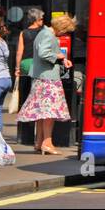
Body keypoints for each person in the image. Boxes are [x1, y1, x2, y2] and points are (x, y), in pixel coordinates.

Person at [17, 14, 76, 155]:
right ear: (61, 27)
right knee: (50, 112)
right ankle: (47, 143)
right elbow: (44, 53)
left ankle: (39, 142)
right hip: (48, 78)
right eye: (65, 30)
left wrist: (62, 60)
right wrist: (59, 56)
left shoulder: (42, 33)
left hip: (40, 76)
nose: (64, 34)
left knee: (42, 112)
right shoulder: (49, 35)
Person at [15, 8, 45, 109]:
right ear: (36, 20)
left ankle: (25, 116)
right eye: (41, 19)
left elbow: (19, 52)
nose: (42, 21)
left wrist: (17, 68)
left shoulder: (23, 33)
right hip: (38, 65)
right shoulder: (44, 32)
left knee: (26, 91)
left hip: (25, 65)